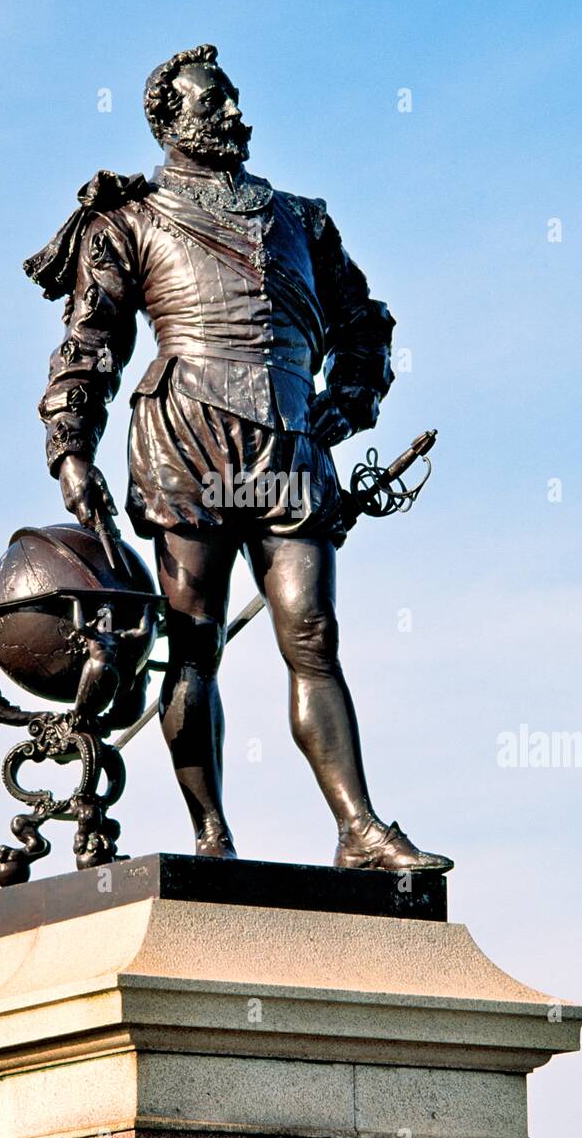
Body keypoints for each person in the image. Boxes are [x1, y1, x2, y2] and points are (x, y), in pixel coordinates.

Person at [25, 44, 452, 873]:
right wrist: (71, 449)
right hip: (186, 436)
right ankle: (211, 837)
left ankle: (359, 828)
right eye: (211, 101)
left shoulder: (302, 219)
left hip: (291, 444)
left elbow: (365, 323)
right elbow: (88, 344)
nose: (233, 111)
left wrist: (351, 397)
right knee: (195, 644)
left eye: (231, 97)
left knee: (314, 634)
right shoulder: (128, 217)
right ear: (169, 120)